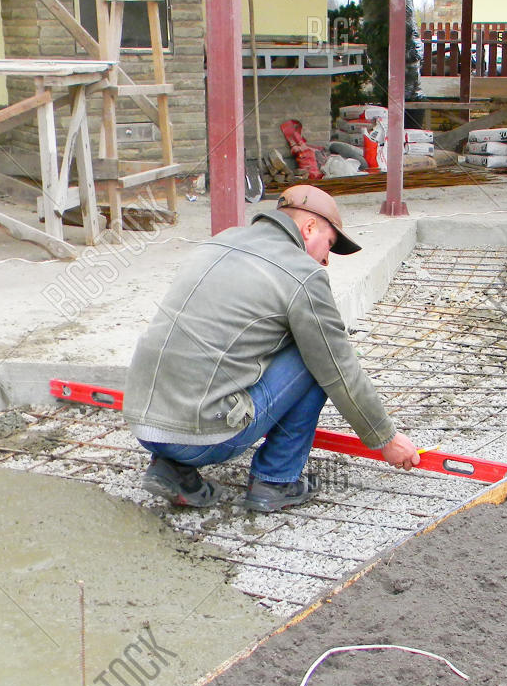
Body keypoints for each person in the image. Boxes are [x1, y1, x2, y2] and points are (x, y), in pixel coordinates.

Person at [124, 184, 420, 512]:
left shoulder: (219, 242)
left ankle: (172, 469)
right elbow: (339, 368)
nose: (324, 260)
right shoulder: (301, 273)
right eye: (329, 245)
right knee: (315, 359)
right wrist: (385, 439)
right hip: (203, 436)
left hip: (141, 419)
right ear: (308, 229)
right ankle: (275, 481)